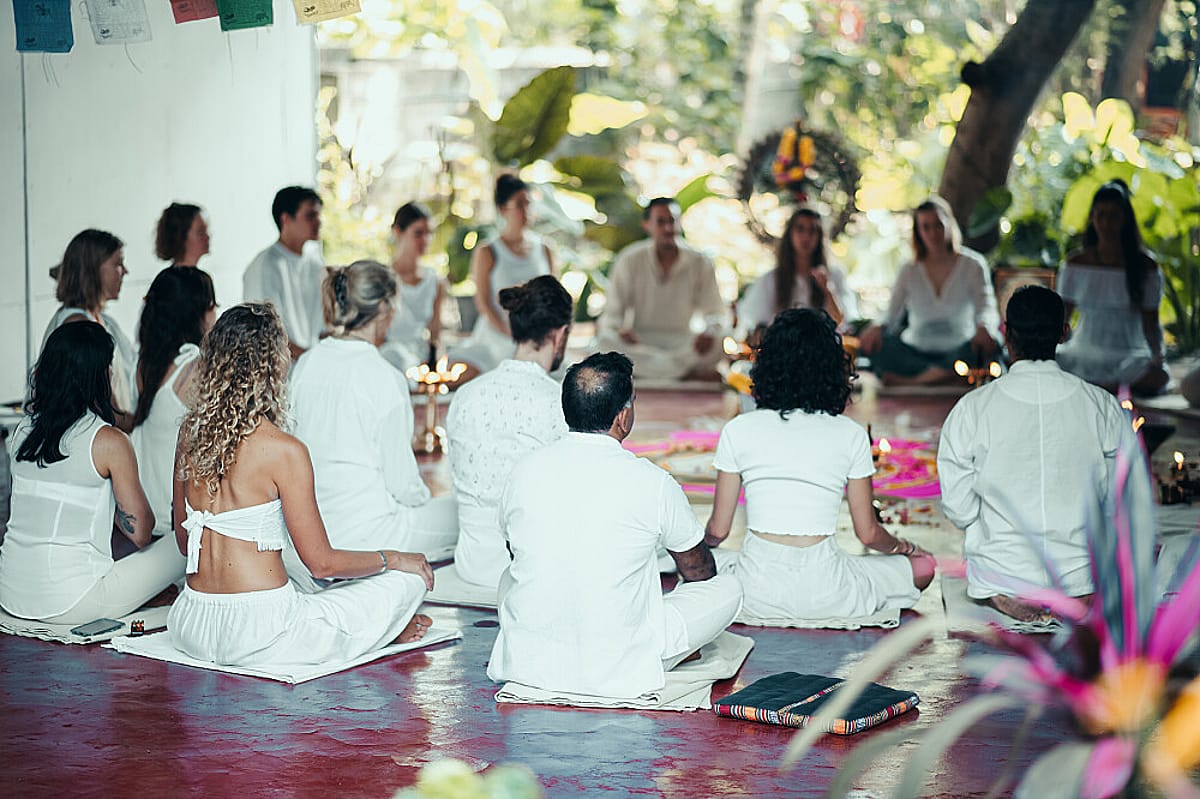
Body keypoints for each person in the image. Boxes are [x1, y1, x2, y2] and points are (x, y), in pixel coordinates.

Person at [167, 303, 433, 667]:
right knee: (406, 581)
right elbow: (322, 564)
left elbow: (185, 544)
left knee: (307, 584)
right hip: (262, 634)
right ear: (273, 366)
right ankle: (384, 629)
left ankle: (380, 629)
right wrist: (395, 558)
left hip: (192, 624)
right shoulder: (284, 450)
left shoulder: (189, 434)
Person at [488, 352, 743, 698]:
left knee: (510, 578)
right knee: (729, 590)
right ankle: (676, 650)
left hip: (532, 661)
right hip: (621, 661)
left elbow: (515, 553)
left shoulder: (523, 470)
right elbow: (698, 571)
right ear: (623, 417)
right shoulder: (653, 482)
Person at [705, 309, 934, 620]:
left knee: (695, 566)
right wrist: (906, 548)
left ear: (767, 365)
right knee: (924, 567)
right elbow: (868, 535)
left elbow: (718, 531)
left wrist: (690, 555)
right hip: (829, 591)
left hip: (754, 591)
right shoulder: (850, 434)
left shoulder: (739, 429)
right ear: (832, 368)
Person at [938, 286, 1139, 622]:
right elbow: (1122, 497)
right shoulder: (1101, 405)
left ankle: (1010, 596)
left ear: (1005, 334)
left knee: (986, 563)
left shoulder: (972, 408)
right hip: (1083, 577)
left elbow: (959, 510)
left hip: (1003, 575)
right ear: (1064, 333)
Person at [0, 323, 183, 624]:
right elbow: (141, 533)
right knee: (183, 543)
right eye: (109, 368)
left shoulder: (21, 432)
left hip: (10, 593)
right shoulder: (108, 441)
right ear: (98, 376)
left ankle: (148, 593)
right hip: (73, 603)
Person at [288, 261, 458, 580]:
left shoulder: (306, 364)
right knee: (463, 515)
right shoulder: (385, 377)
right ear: (383, 308)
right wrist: (425, 503)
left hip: (307, 536)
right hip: (367, 535)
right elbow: (403, 487)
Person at [446, 275, 572, 588]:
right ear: (561, 335)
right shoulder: (558, 402)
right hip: (531, 570)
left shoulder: (465, 396)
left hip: (472, 565)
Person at [858, 197, 1002, 385]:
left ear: (949, 225)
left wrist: (984, 327)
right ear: (918, 232)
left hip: (959, 349)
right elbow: (891, 312)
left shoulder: (973, 264)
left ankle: (915, 381)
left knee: (990, 345)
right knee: (880, 346)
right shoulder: (909, 269)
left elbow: (987, 306)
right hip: (915, 351)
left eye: (938, 225)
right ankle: (944, 377)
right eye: (926, 227)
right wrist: (877, 327)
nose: (933, 233)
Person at [595, 198, 728, 381]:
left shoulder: (700, 261)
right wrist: (619, 330)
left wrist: (710, 332)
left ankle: (640, 372)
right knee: (605, 340)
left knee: (721, 340)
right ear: (647, 225)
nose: (668, 228)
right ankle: (685, 373)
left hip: (684, 342)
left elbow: (716, 312)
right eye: (661, 222)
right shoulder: (629, 258)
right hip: (640, 342)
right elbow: (612, 313)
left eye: (672, 221)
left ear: (679, 223)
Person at [1057, 180, 1168, 395]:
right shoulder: (1075, 263)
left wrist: (1157, 355)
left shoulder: (1145, 266)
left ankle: (1100, 386)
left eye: (1114, 216)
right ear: (1092, 218)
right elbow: (1063, 317)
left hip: (1128, 354)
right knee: (1047, 363)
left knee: (1158, 376)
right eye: (1101, 215)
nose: (1107, 224)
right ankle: (1109, 387)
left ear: (1125, 220)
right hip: (1084, 350)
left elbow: (1150, 322)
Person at [131, 266, 218, 536]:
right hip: (174, 525)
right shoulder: (193, 367)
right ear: (198, 313)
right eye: (213, 305)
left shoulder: (146, 363)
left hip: (145, 511)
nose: (216, 315)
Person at [449, 175, 554, 380]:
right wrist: (509, 333)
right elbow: (483, 303)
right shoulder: (487, 251)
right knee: (463, 371)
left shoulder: (545, 249)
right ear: (502, 209)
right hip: (496, 333)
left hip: (536, 335)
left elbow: (554, 300)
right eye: (519, 204)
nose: (526, 211)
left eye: (528, 203)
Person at [43, 229, 137, 432]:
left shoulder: (103, 321)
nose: (125, 271)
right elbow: (101, 409)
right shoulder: (76, 326)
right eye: (118, 263)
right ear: (93, 270)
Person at [737, 207, 858, 336]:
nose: (806, 237)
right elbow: (754, 322)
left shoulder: (834, 275)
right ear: (790, 234)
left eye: (812, 231)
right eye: (800, 229)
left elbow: (840, 322)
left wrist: (827, 289)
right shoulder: (772, 279)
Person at [243, 186, 326, 360]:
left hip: (312, 365)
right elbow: (264, 331)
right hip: (279, 373)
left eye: (319, 215)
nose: (319, 221)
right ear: (286, 219)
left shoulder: (316, 265)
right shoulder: (265, 266)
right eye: (310, 216)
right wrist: (307, 360)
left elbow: (323, 327)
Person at [381, 202, 448, 373]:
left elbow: (436, 336)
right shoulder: (382, 278)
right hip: (389, 357)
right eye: (418, 233)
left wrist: (435, 367)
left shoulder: (435, 281)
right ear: (398, 232)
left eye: (429, 233)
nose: (425, 240)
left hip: (421, 359)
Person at [155, 202, 210, 268]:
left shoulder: (199, 276)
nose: (207, 237)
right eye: (200, 232)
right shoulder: (171, 277)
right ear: (181, 237)